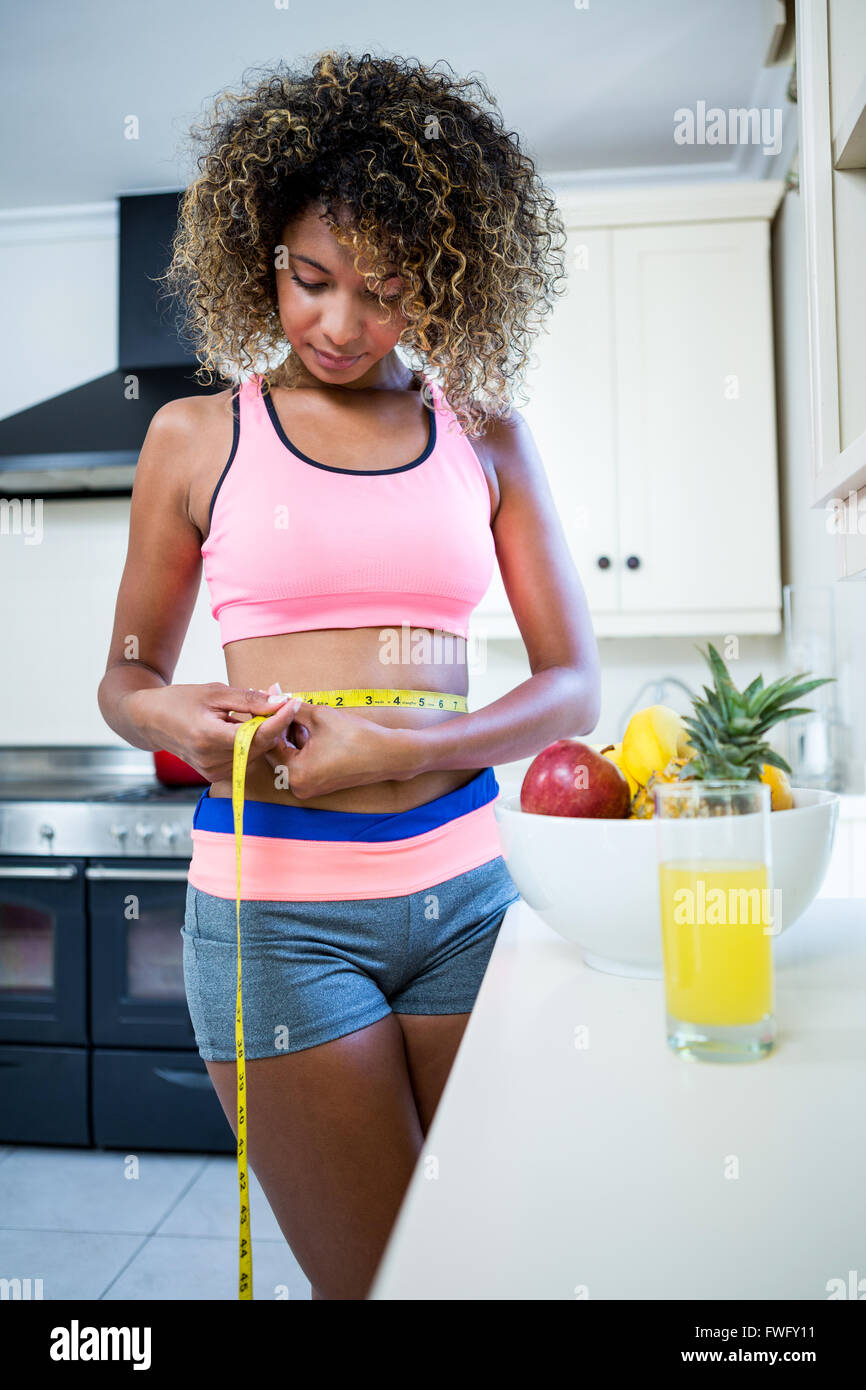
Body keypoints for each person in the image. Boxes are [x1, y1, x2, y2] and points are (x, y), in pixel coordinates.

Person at [98, 49, 601, 1300]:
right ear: (259, 252)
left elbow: (571, 687)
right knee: (379, 1285)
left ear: (441, 283)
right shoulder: (194, 437)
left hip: (472, 910)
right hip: (277, 922)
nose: (336, 324)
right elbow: (122, 677)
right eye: (310, 279)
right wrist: (169, 706)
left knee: (488, 1267)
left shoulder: (482, 431)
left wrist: (402, 748)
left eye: (381, 292)